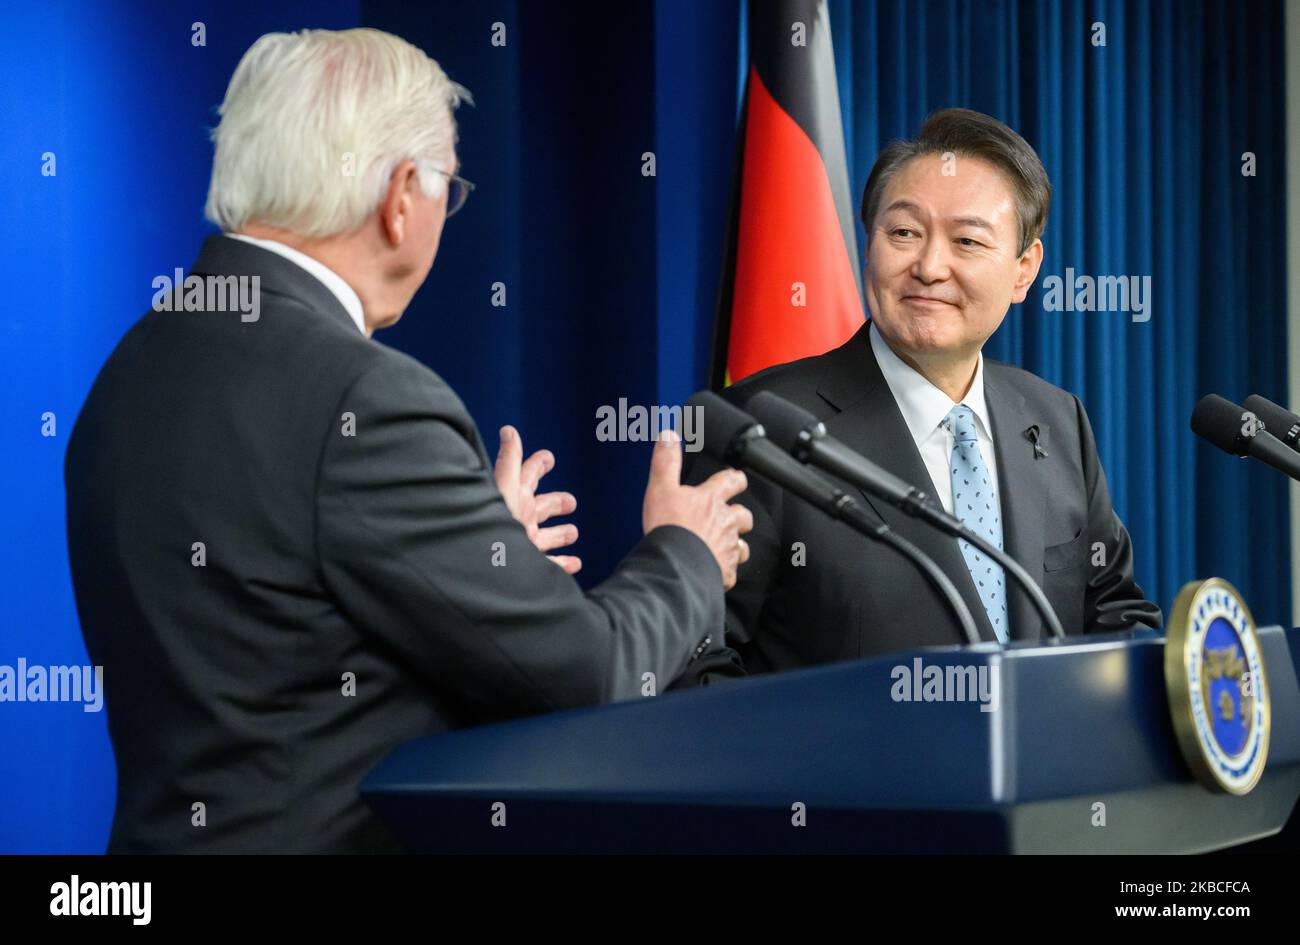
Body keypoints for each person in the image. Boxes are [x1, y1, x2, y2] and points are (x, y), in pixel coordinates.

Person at [64, 28, 750, 853]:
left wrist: (471, 557)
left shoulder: (128, 371)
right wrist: (685, 554)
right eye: (448, 188)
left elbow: (279, 622)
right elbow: (591, 676)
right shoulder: (366, 396)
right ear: (399, 197)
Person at [683, 108, 1161, 680]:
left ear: (1024, 270)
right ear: (869, 242)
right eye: (904, 233)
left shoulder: (1056, 420)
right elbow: (696, 662)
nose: (930, 267)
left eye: (966, 240)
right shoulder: (761, 430)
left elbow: (1114, 613)